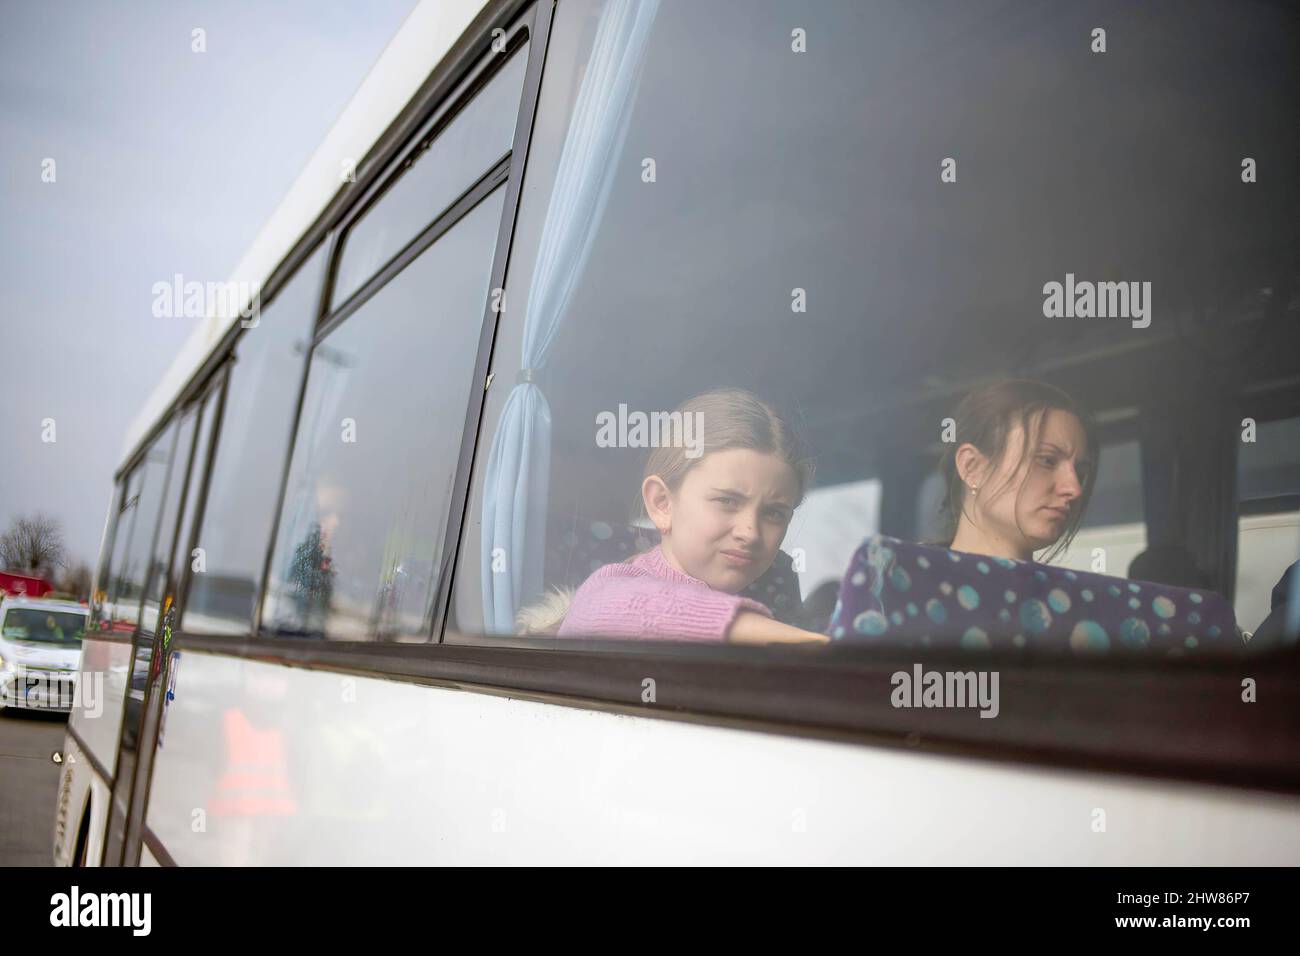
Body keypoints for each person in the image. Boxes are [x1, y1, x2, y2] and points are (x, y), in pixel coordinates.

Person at [533, 389, 828, 644]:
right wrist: (810, 645)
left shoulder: (777, 594)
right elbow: (614, 608)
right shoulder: (611, 587)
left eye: (774, 513)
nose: (750, 532)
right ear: (662, 503)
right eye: (727, 500)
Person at [939, 379, 1098, 562]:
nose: (1074, 489)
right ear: (972, 467)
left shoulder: (913, 579)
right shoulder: (906, 578)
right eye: (1047, 461)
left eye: (1081, 473)